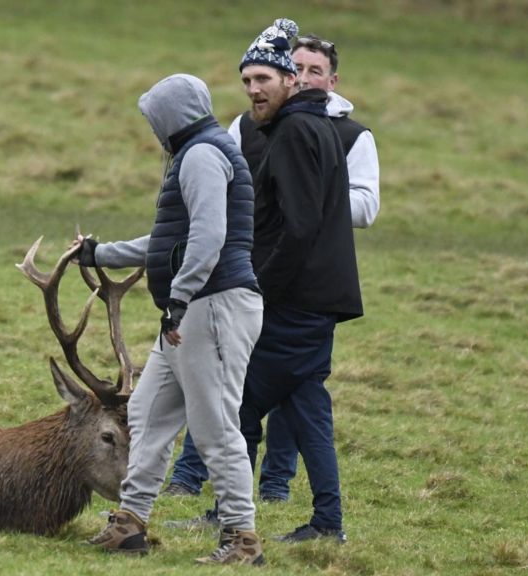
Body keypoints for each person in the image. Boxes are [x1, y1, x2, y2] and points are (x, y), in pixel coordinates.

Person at [167, 18, 362, 544]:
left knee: (240, 404)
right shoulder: (312, 125)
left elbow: (299, 227)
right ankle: (327, 523)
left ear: (290, 81)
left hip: (296, 301)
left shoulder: (297, 131)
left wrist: (258, 287)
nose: (254, 90)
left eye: (264, 79)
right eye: (247, 80)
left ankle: (230, 517)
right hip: (318, 300)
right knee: (307, 405)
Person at [81, 73, 266, 565]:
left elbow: (208, 237)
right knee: (148, 413)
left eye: (153, 118)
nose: (152, 129)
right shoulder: (198, 152)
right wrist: (102, 253)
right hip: (194, 312)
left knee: (215, 428)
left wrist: (180, 298)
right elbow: (166, 243)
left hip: (212, 308)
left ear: (170, 116)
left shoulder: (203, 155)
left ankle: (242, 539)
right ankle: (129, 524)